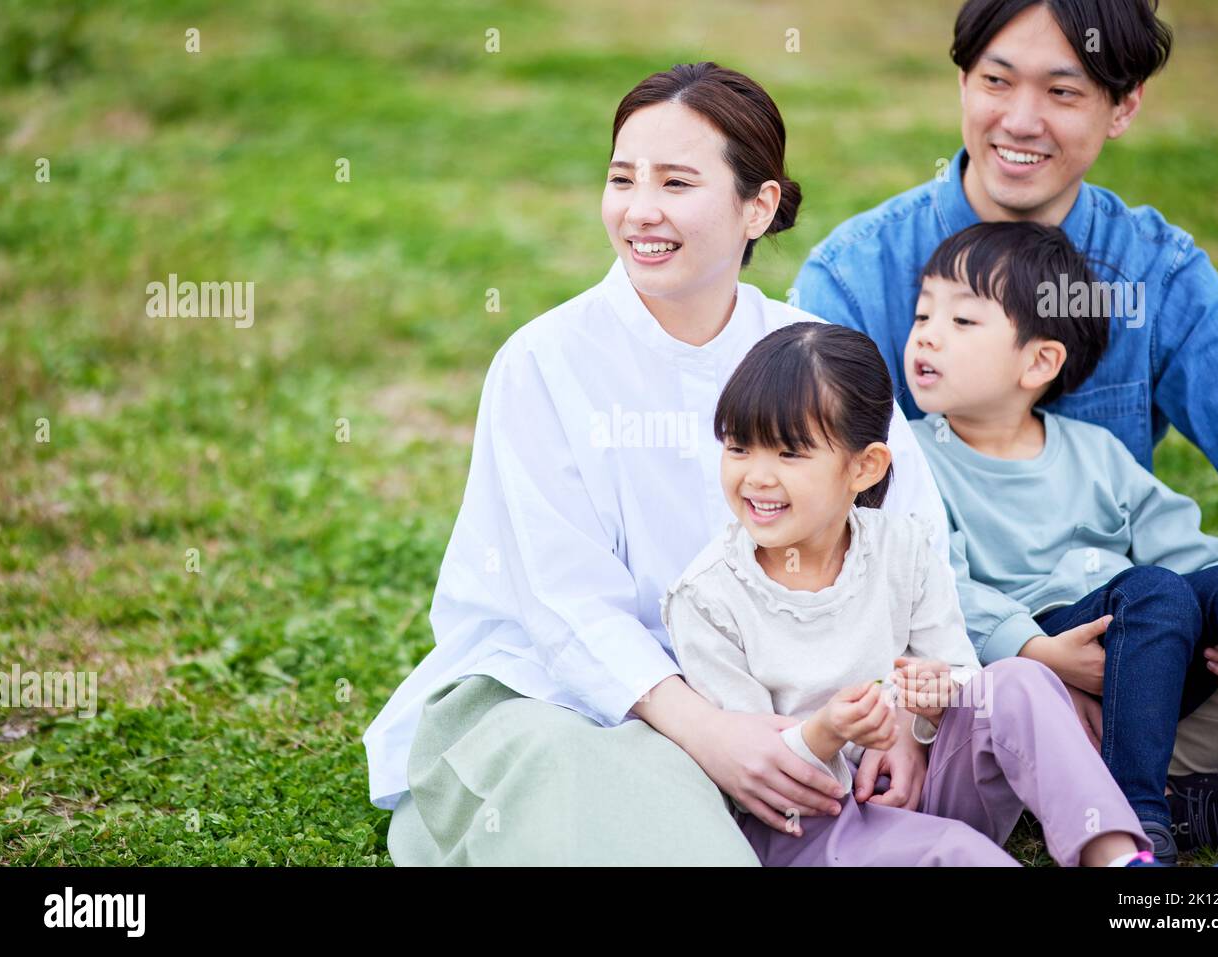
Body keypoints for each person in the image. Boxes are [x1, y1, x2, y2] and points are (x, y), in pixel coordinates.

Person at [364, 63, 953, 865]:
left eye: (677, 182)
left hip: (785, 702)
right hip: (558, 697)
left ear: (759, 205)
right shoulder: (544, 361)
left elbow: (909, 542)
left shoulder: (813, 355)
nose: (640, 210)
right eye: (621, 179)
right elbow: (566, 604)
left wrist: (903, 721)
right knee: (624, 811)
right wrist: (710, 733)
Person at [793, 0, 1218, 846]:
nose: (1019, 121)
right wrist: (1017, 648)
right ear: (962, 80)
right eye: (995, 80)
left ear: (1123, 103)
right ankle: (1133, 806)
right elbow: (815, 532)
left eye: (1063, 91)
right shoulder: (855, 275)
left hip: (1143, 644)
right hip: (955, 671)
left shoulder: (1156, 273)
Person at [662, 320, 1158, 866]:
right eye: (739, 447)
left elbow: (958, 671)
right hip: (809, 826)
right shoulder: (707, 598)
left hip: (919, 787)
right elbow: (751, 776)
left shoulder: (902, 548)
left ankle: (1116, 860)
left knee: (1019, 680)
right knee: (956, 850)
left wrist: (922, 715)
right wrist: (827, 732)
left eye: (789, 453)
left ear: (864, 466)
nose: (757, 476)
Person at [904, 220, 1218, 863]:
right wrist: (1034, 649)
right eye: (923, 314)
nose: (928, 334)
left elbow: (1187, 550)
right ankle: (1143, 822)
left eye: (962, 321)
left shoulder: (1094, 452)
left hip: (1153, 653)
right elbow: (933, 585)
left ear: (1039, 361)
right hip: (1042, 654)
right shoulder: (915, 456)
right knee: (1155, 591)